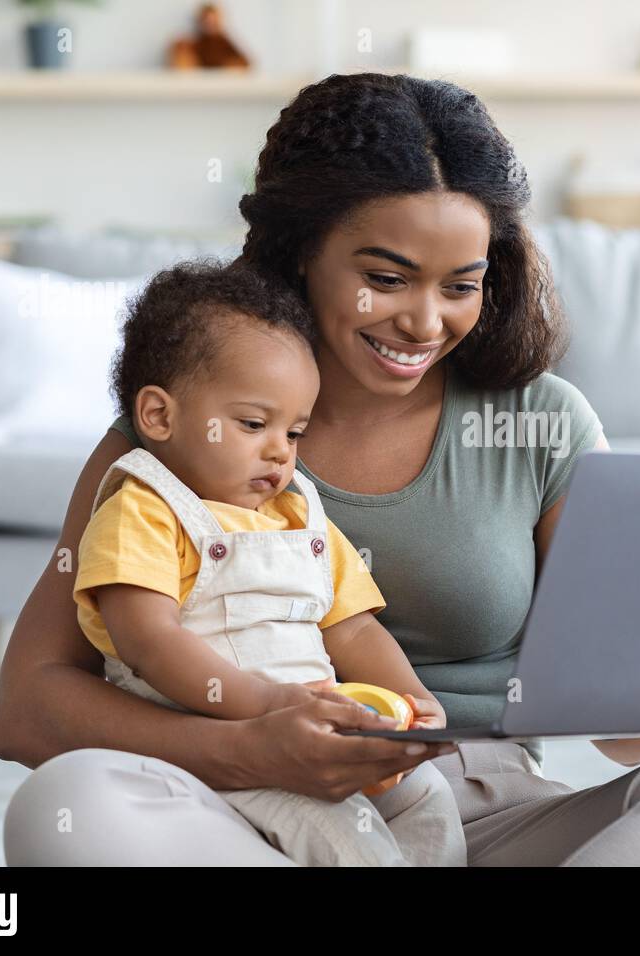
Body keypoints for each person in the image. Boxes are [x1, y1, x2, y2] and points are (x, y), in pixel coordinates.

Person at [0, 72, 640, 866]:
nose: (424, 322)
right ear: (299, 253)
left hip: (488, 813)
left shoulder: (541, 423)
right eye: (386, 278)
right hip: (246, 805)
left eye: (460, 285)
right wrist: (243, 746)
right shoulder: (185, 432)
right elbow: (28, 708)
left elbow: (625, 742)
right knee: (70, 803)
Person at [69, 261, 464, 866]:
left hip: (320, 735)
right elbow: (147, 639)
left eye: (296, 430)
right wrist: (265, 707)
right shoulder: (143, 510)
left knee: (425, 801)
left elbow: (352, 627)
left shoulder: (299, 514)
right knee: (348, 839)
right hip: (225, 758)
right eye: (254, 424)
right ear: (158, 416)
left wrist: (411, 698)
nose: (281, 450)